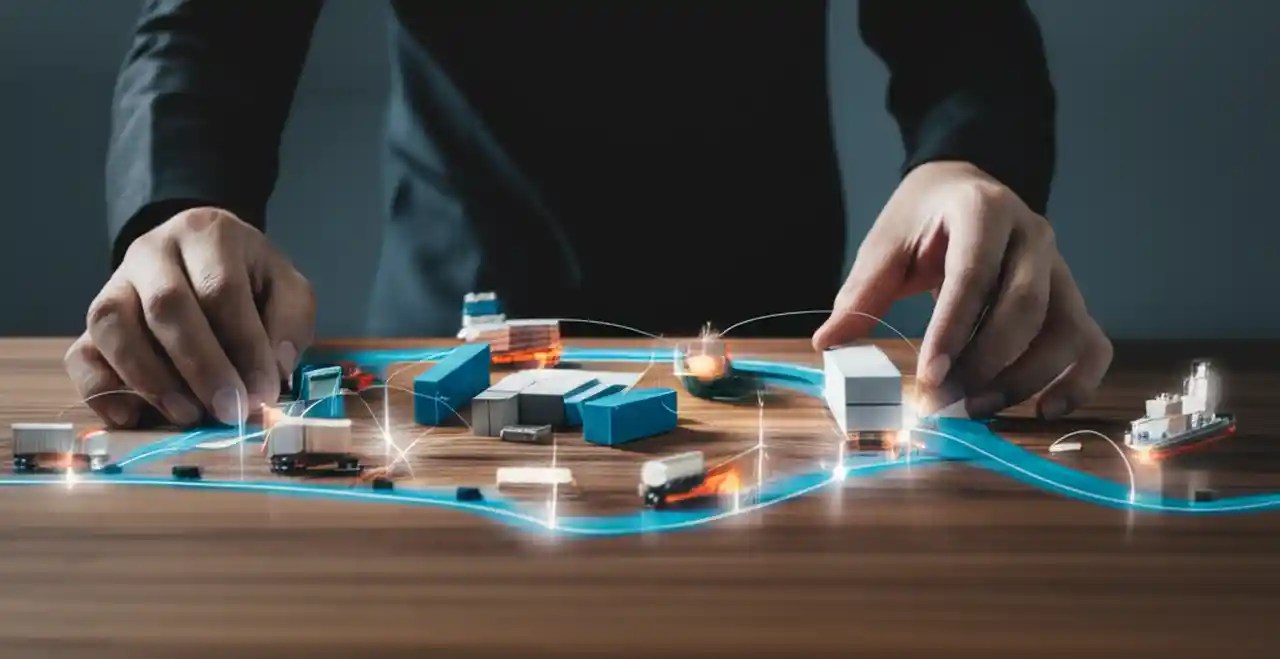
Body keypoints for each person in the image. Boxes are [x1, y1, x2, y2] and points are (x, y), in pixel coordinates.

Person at [66, 0, 1111, 428]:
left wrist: (969, 164)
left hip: (773, 362)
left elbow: (966, 33)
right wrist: (181, 205)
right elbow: (208, 31)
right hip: (444, 349)